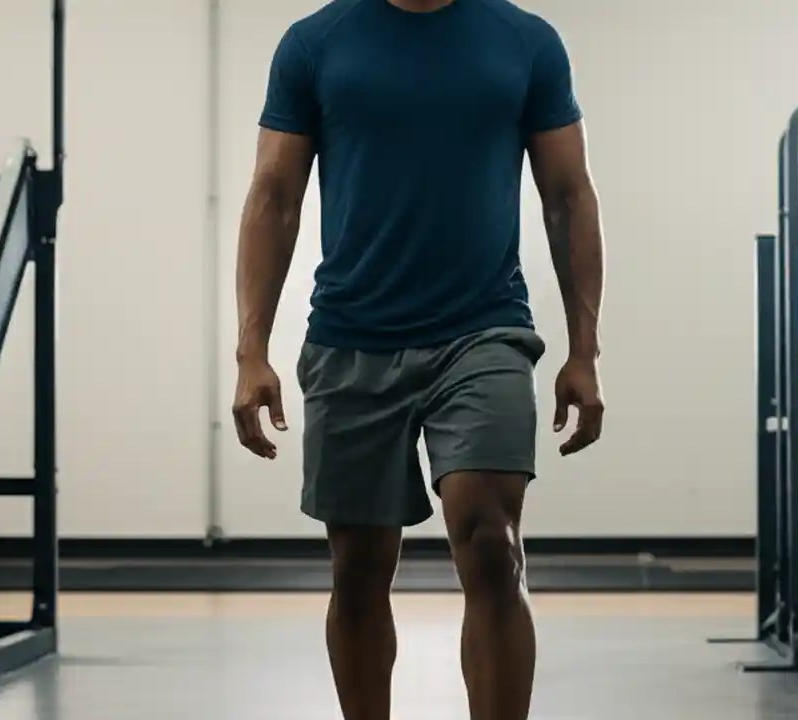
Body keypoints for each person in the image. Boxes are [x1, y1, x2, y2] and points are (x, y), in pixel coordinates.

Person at [233, 0, 605, 718]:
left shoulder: (525, 43)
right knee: (360, 568)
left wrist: (583, 350)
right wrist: (252, 349)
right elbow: (274, 196)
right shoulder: (315, 44)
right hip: (350, 336)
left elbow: (568, 196)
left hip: (485, 330)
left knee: (490, 538)